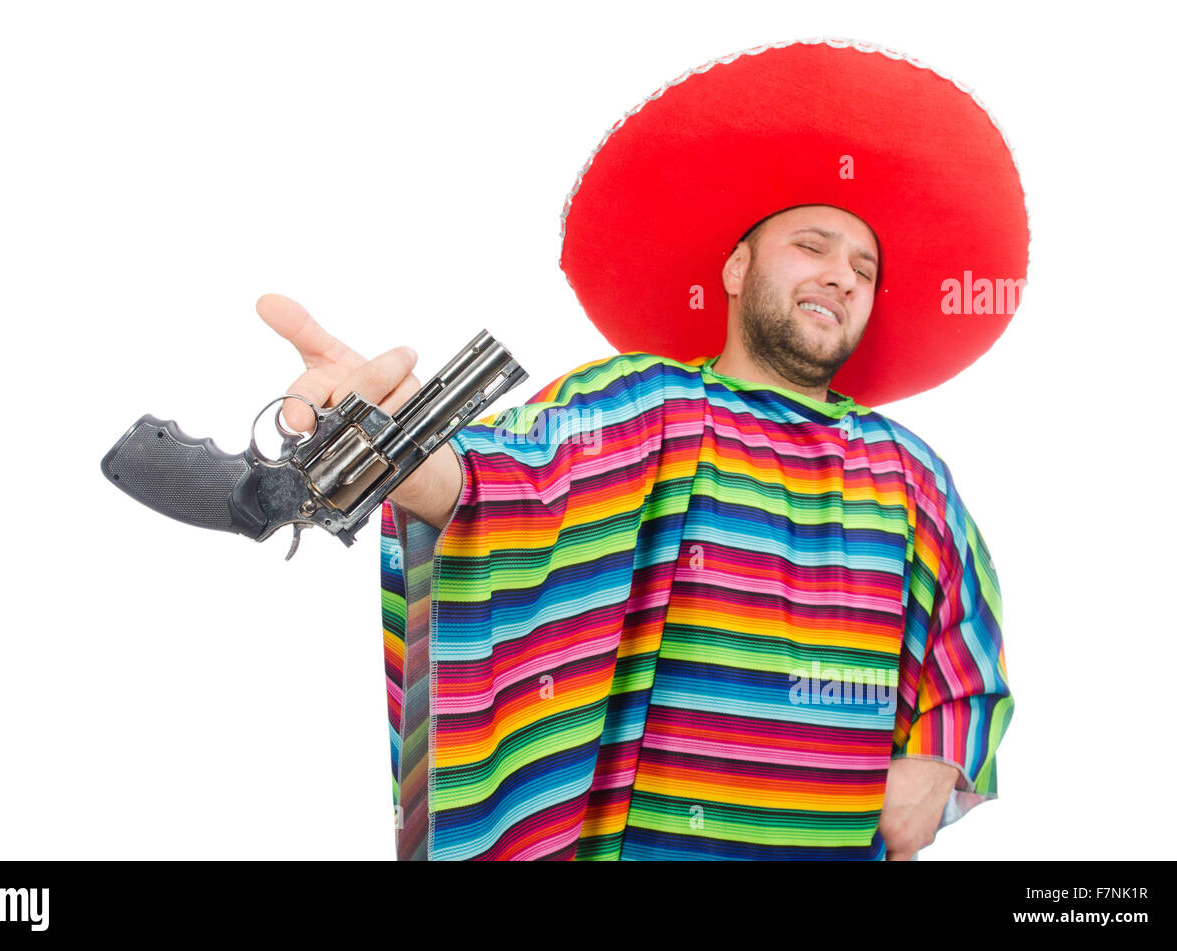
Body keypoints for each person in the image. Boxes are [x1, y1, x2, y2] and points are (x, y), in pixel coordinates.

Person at [259, 38, 1026, 861]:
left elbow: (966, 656)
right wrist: (390, 441)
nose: (843, 274)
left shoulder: (912, 475)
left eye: (864, 266)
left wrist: (940, 763)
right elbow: (492, 490)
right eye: (812, 244)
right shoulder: (639, 405)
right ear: (736, 267)